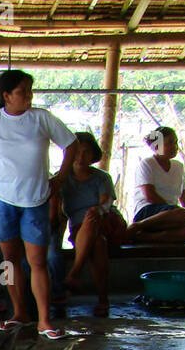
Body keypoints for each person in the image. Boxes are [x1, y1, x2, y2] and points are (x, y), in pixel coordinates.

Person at [0, 69, 78, 339]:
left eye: (30, 90)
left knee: (37, 261)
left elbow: (70, 144)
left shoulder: (42, 119)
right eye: (23, 91)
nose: (29, 95)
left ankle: (44, 320)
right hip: (2, 200)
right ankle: (18, 313)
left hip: (36, 199)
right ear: (6, 95)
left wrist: (60, 178)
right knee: (9, 261)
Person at [48, 132, 127, 318]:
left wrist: (99, 210)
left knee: (91, 217)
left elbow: (106, 202)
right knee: (97, 244)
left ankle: (75, 273)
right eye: (76, 153)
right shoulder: (61, 180)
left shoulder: (101, 177)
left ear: (93, 155)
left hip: (107, 222)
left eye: (86, 153)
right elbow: (56, 211)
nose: (80, 158)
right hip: (82, 229)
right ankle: (102, 300)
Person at [129, 126, 185, 243]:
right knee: (183, 213)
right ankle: (138, 226)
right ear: (157, 146)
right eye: (170, 143)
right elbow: (150, 196)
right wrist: (172, 212)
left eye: (175, 142)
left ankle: (143, 237)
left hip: (171, 216)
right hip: (149, 212)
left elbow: (184, 197)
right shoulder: (148, 164)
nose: (175, 147)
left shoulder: (178, 166)